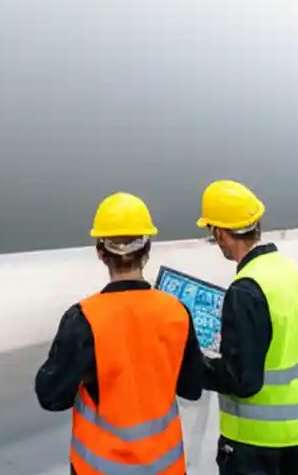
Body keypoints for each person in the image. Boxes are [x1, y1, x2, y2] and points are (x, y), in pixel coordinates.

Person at [36, 192, 204, 474]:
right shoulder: (177, 311)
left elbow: (51, 397)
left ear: (101, 253)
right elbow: (191, 387)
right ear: (147, 249)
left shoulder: (83, 319)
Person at [198, 180, 298, 475]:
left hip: (256, 440)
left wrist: (194, 363)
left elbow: (243, 380)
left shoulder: (245, 290)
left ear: (220, 233)